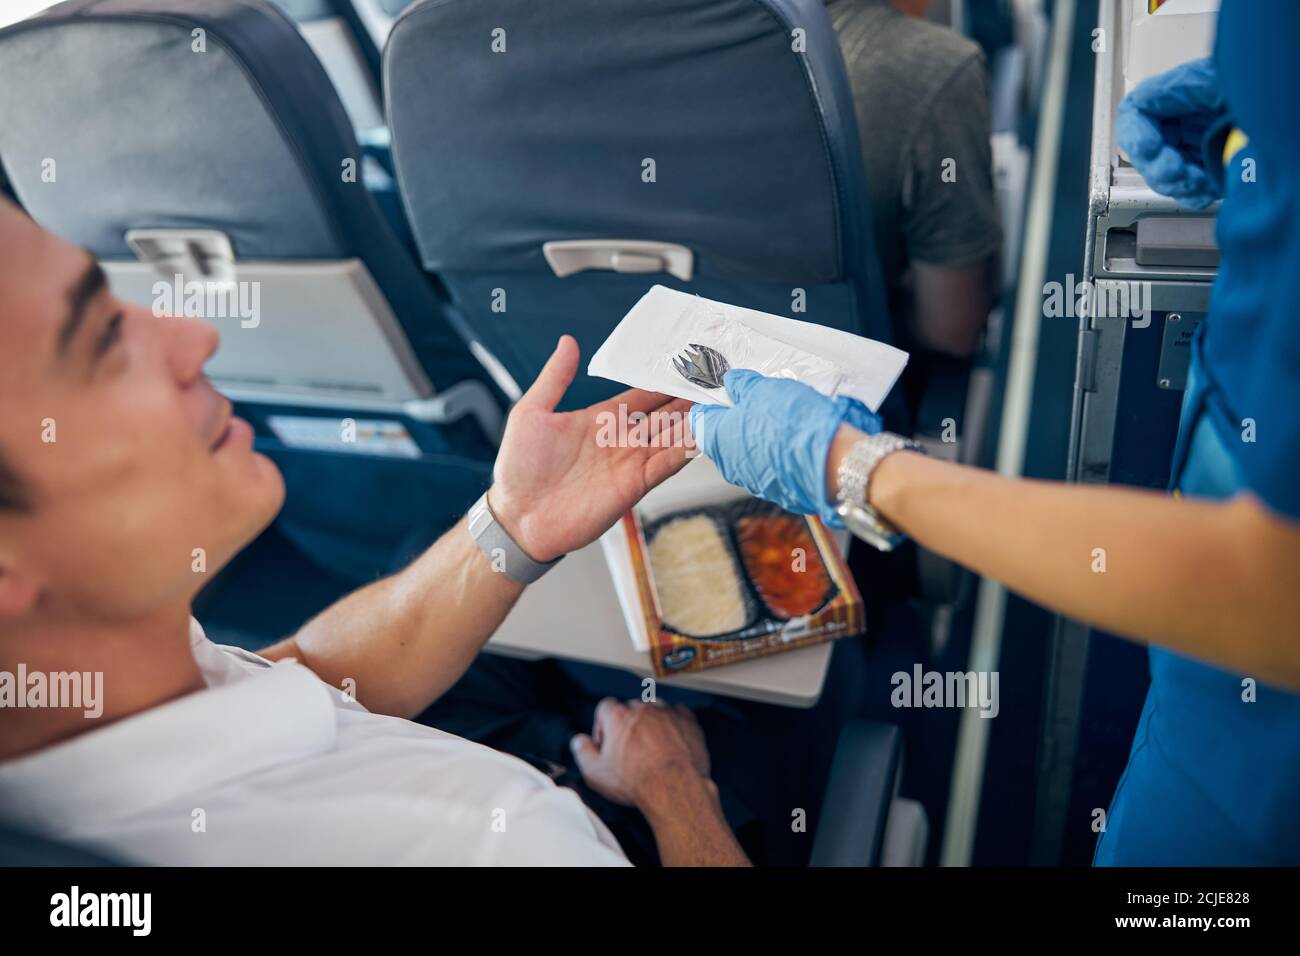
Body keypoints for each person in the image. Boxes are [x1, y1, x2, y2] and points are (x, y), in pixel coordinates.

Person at [691, 0, 1300, 865]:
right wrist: (1258, 143)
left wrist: (855, 467)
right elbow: (954, 324)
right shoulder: (921, 70)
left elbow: (1267, 591)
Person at [0, 196, 756, 866]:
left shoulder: (98, 693)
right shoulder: (496, 841)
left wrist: (512, 524)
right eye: (101, 341)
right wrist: (676, 793)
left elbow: (303, 681)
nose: (196, 337)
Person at [824, 0, 1001, 409]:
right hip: (846, 425)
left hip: (668, 408)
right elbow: (953, 327)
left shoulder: (663, 41)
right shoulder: (932, 69)